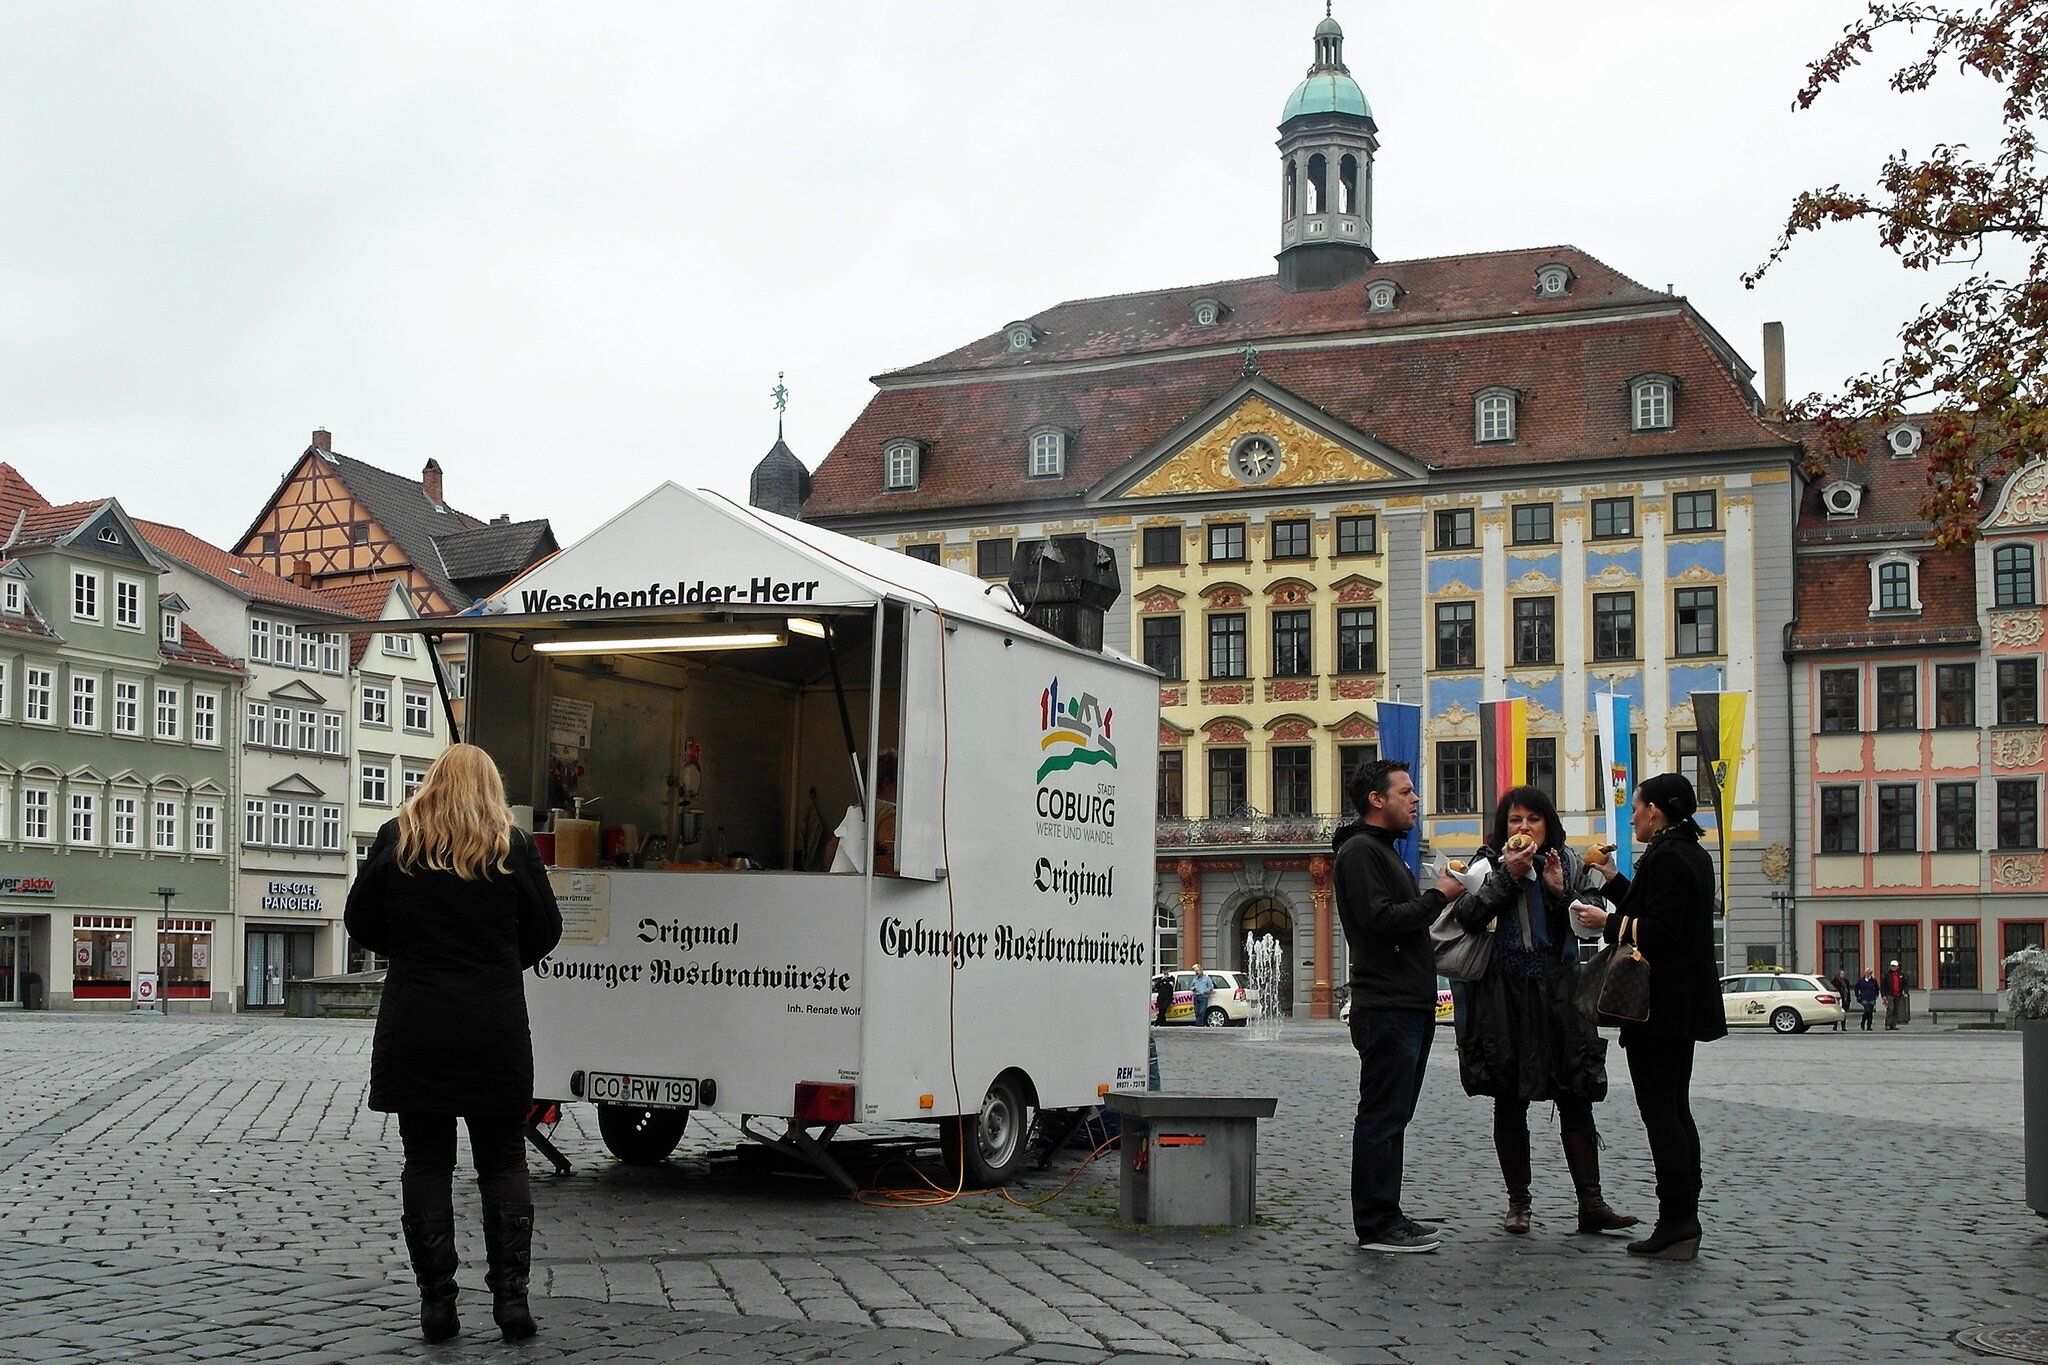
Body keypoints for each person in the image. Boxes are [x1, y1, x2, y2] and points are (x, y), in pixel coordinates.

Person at [344, 744, 565, 1343]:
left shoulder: (399, 841)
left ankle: (437, 1304)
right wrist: (499, 961)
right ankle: (512, 1304)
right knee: (503, 1159)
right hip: (492, 1021)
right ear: (492, 787)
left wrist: (412, 948)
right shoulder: (511, 846)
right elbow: (547, 929)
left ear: (432, 783)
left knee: (426, 1162)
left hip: (417, 1019)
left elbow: (360, 921)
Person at [1447, 786, 1636, 1236]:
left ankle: (1591, 1203)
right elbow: (1468, 916)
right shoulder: (1486, 863)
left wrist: (1559, 891)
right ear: (1503, 827)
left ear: (1548, 823)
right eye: (1515, 820)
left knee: (1576, 1094)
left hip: (1560, 991)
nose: (1524, 828)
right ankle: (1518, 1203)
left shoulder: (1569, 863)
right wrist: (1509, 876)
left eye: (1533, 819)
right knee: (1508, 1097)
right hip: (1504, 993)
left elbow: (1591, 921)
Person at [1573, 772, 1725, 1261]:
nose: (1632, 817)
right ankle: (1681, 1218)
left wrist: (1607, 922)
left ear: (1655, 811)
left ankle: (1677, 1221)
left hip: (1658, 1006)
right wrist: (1611, 878)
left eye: (1636, 808)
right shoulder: (1689, 852)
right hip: (1680, 1005)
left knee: (1662, 1114)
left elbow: (1660, 929)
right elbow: (1653, 906)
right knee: (1675, 1109)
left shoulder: (1667, 857)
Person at [1334, 758, 1466, 1253]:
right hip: (1387, 1004)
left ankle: (1387, 1213)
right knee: (1382, 1116)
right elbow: (1380, 921)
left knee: (1394, 1116)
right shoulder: (1360, 852)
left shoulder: (1383, 851)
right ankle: (1376, 1223)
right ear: (1377, 799)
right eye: (1405, 791)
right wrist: (1439, 896)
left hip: (1408, 1002)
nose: (1415, 799)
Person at [1883, 959, 1909, 1030]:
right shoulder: (1887, 975)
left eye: (1894, 966)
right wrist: (1884, 995)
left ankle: (1893, 1024)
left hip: (1898, 994)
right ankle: (1887, 1024)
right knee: (1890, 1009)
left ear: (1897, 967)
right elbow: (1883, 986)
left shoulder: (1901, 975)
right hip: (1890, 994)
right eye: (1892, 966)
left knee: (1896, 1010)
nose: (1893, 967)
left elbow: (1905, 984)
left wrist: (1905, 992)